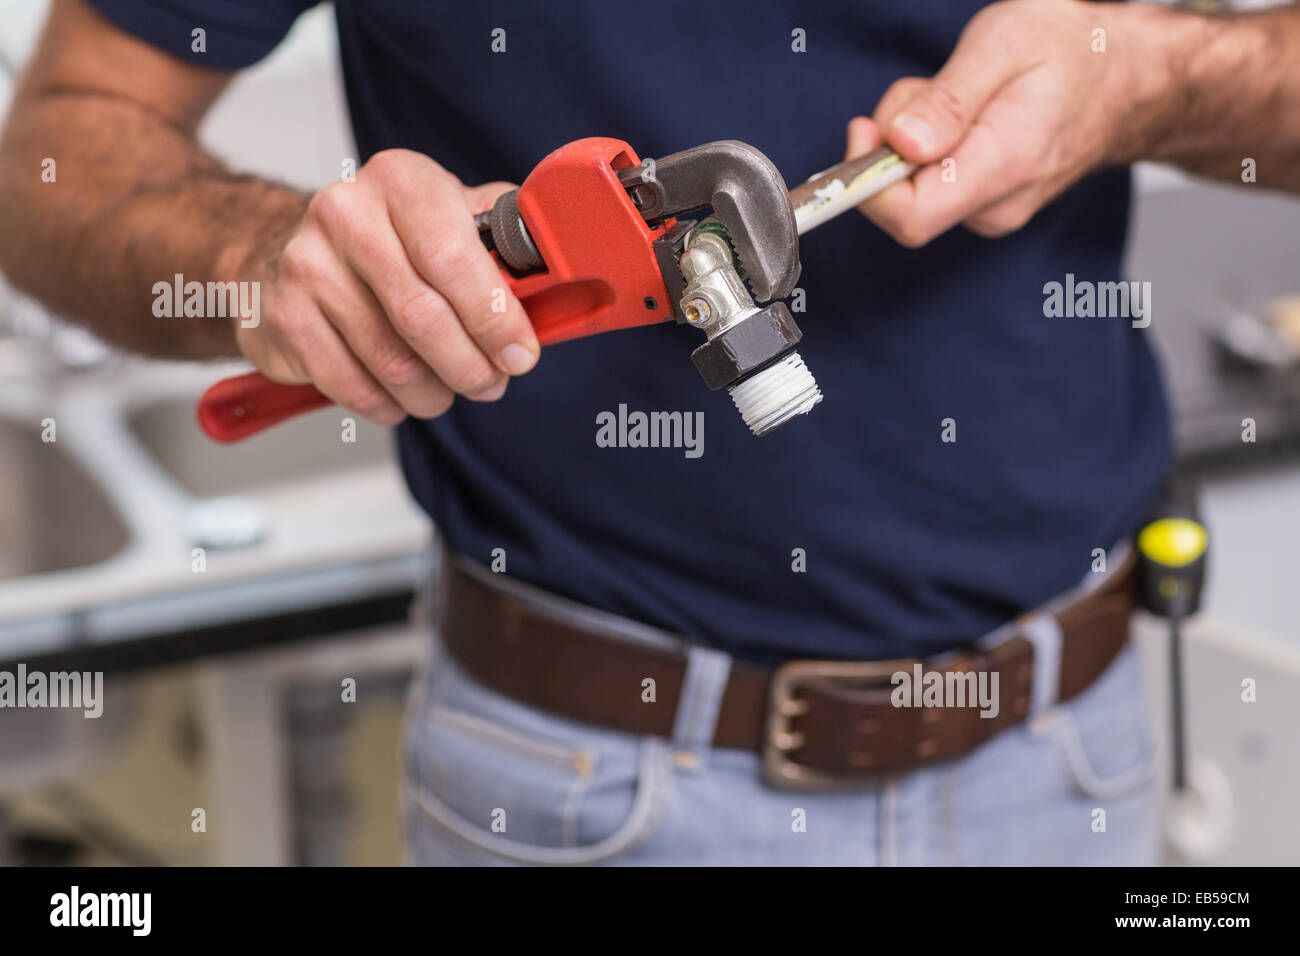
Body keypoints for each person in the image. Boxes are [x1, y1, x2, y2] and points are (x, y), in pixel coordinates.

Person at [1, 0, 1296, 865]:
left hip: (1073, 761)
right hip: (587, 783)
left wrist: (1156, 78)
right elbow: (56, 154)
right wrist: (263, 257)